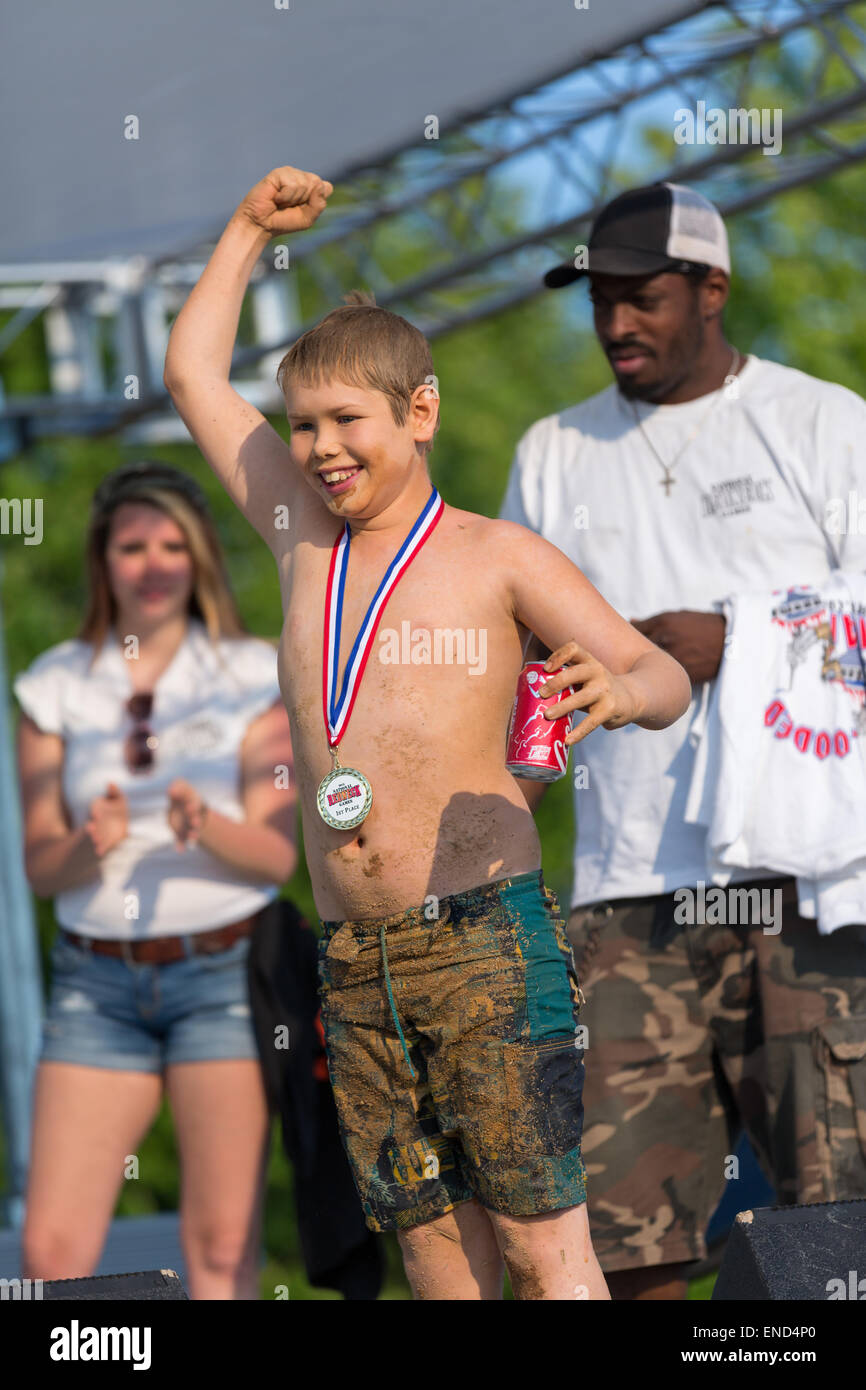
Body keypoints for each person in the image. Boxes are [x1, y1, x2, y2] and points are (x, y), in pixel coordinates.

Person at [162, 163, 692, 1301]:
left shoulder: (499, 555)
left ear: (420, 410)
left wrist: (619, 690)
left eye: (345, 420)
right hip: (355, 960)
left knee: (547, 1251)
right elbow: (192, 372)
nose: (318, 449)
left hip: (483, 944)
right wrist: (248, 226)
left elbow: (658, 672)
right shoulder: (299, 537)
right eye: (301, 427)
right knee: (435, 1259)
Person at [499, 181, 866, 1300]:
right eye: (600, 300)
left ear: (710, 287)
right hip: (623, 893)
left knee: (831, 1227)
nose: (615, 323)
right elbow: (511, 662)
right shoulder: (552, 451)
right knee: (617, 1239)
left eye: (641, 297)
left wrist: (735, 639)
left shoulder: (820, 421)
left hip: (799, 884)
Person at [14, 461, 297, 1300]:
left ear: (202, 555)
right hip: (95, 983)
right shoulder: (54, 681)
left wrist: (205, 827)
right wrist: (88, 847)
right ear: (103, 558)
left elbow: (278, 856)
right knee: (49, 1254)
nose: (154, 563)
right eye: (133, 545)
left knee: (220, 1251)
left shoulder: (254, 671)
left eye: (174, 543)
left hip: (223, 975)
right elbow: (39, 865)